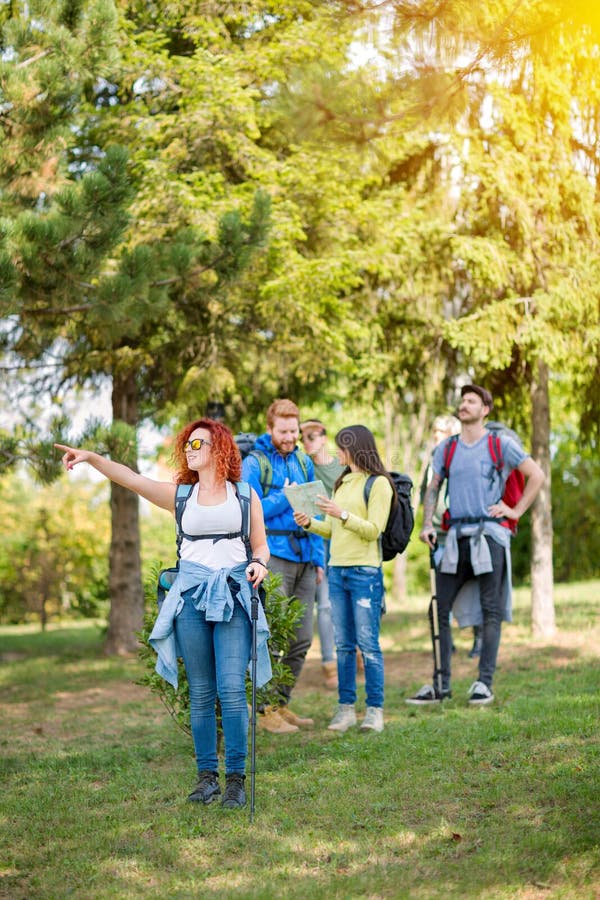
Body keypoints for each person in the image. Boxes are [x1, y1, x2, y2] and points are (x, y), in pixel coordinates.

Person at [55, 418, 271, 810]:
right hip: (189, 596)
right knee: (202, 692)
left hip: (234, 595)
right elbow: (132, 479)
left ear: (219, 448)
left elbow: (260, 545)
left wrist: (260, 564)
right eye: (187, 444)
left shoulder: (244, 495)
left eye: (198, 443)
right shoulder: (180, 497)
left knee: (232, 690)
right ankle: (207, 779)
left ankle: (236, 781)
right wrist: (90, 458)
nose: (191, 449)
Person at [408, 385, 544, 706]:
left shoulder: (500, 444)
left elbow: (535, 475)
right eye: (463, 400)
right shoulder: (447, 449)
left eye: (472, 401)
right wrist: (427, 523)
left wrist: (515, 511)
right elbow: (432, 487)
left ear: (485, 410)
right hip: (454, 538)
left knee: (491, 611)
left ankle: (484, 683)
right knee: (438, 608)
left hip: (490, 536)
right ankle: (441, 685)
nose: (464, 404)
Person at [294, 425, 394, 734]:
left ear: (357, 447)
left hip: (365, 573)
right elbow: (333, 529)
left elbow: (374, 529)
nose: (337, 453)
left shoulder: (379, 484)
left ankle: (374, 711)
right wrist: (311, 523)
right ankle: (346, 710)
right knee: (343, 645)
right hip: (337, 572)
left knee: (368, 644)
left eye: (342, 447)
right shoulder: (342, 482)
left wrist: (341, 514)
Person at [242, 399, 325, 734]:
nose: (290, 437)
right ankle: (263, 709)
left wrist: (319, 558)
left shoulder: (304, 462)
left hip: (305, 556)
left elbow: (313, 510)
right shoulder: (255, 462)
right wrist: (285, 498)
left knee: (302, 638)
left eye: (294, 430)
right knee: (271, 636)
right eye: (284, 431)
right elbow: (249, 508)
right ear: (270, 429)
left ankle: (279, 702)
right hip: (273, 557)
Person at [420, 414, 482, 658]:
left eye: (441, 434)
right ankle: (445, 645)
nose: (436, 438)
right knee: (439, 596)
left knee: (470, 589)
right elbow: (427, 495)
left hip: (459, 533)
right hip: (437, 537)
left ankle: (479, 641)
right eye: (434, 433)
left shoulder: (458, 459)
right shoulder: (431, 464)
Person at [299, 418, 344, 690]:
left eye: (313, 435)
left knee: (348, 600)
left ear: (324, 437)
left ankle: (358, 652)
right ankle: (330, 665)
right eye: (303, 437)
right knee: (325, 606)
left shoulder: (343, 465)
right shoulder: (304, 469)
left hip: (346, 539)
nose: (308, 441)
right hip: (319, 541)